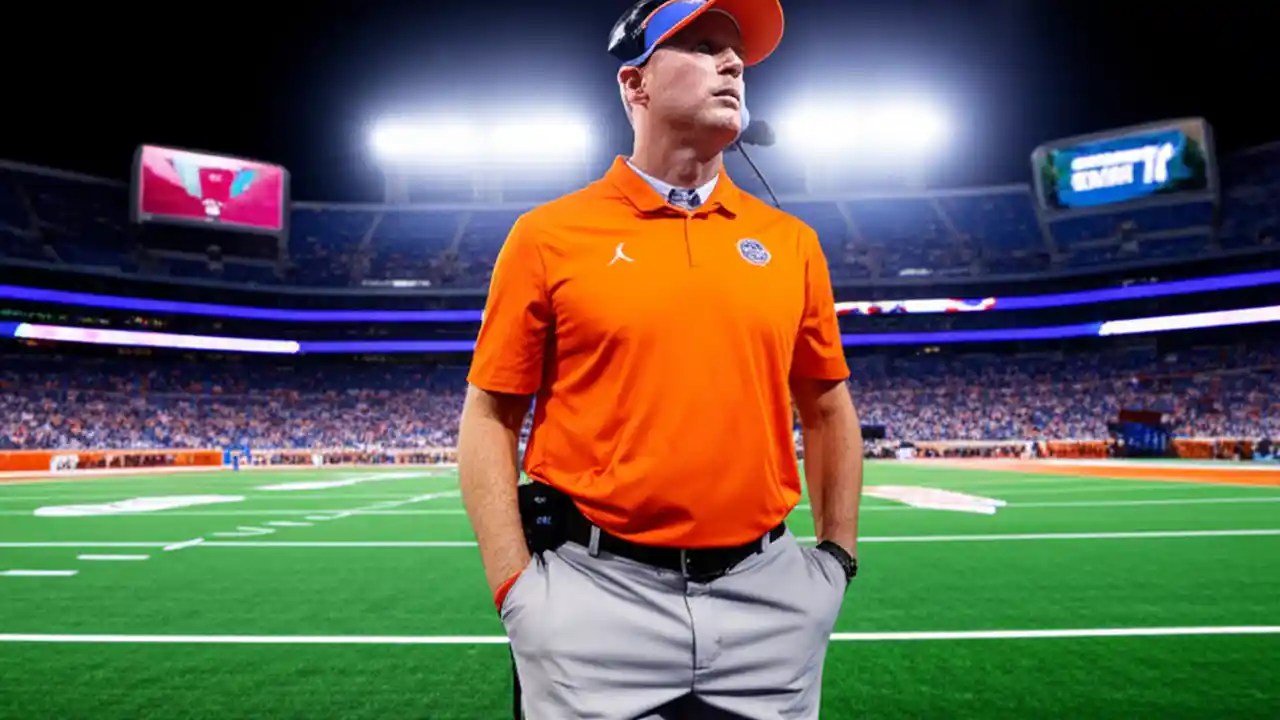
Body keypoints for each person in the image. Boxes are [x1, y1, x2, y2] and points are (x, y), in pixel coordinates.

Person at [457, 0, 864, 717]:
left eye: (736, 53)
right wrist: (515, 588)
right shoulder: (547, 235)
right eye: (704, 46)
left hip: (770, 599)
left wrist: (833, 562)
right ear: (634, 85)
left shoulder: (791, 242)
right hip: (593, 604)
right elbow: (490, 415)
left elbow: (828, 407)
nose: (733, 63)